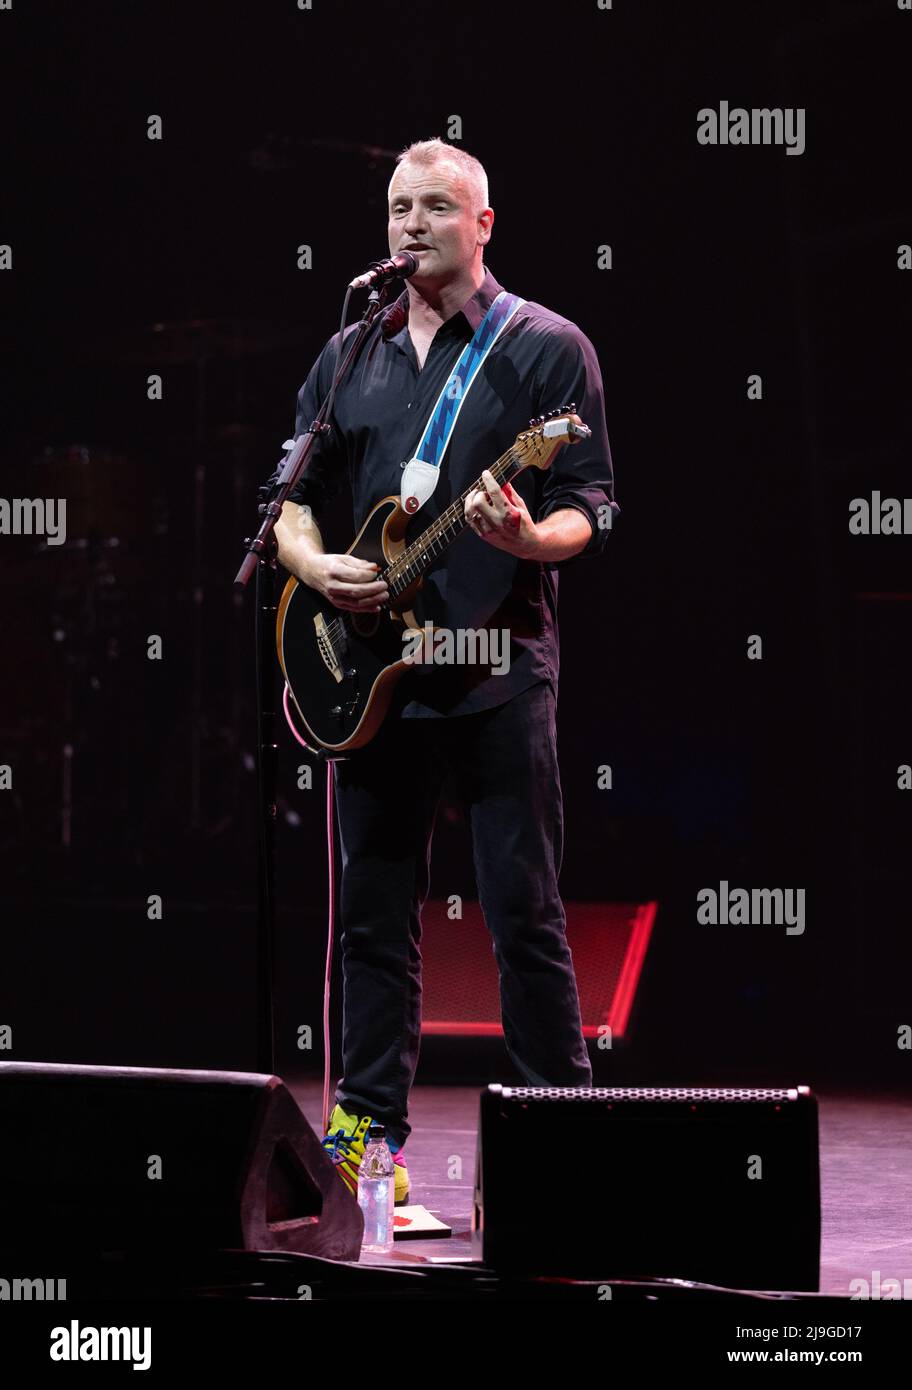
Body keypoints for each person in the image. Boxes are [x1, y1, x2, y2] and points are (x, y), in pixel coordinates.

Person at [270, 137, 620, 1205]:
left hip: (496, 670)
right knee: (371, 918)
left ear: (483, 224)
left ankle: (558, 1149)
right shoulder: (349, 353)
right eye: (395, 209)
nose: (410, 225)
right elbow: (288, 496)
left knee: (523, 910)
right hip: (372, 679)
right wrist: (307, 560)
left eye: (432, 207)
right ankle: (368, 1159)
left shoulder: (547, 348)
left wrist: (525, 540)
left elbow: (589, 508)